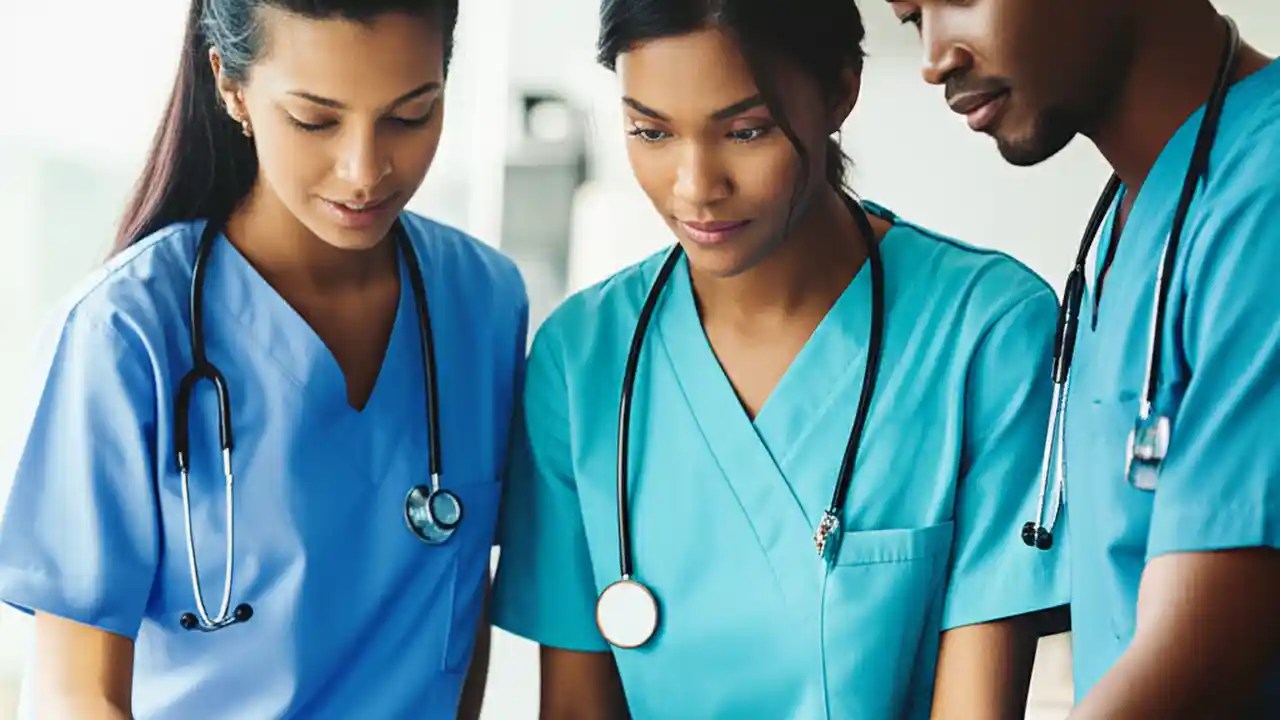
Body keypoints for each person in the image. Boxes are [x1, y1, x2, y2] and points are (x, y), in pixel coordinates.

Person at [490, 1, 1069, 717]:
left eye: (746, 131)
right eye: (650, 131)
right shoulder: (581, 360)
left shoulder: (987, 333)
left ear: (839, 92)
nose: (696, 185)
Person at [0, 1, 527, 717]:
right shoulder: (124, 334)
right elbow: (75, 694)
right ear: (230, 86)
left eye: (410, 115)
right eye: (316, 120)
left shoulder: (483, 304)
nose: (365, 169)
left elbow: (455, 626)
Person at [888, 0, 1280, 715]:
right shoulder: (1120, 238)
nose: (935, 58)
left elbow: (1202, 661)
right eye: (915, 18)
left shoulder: (1266, 195)